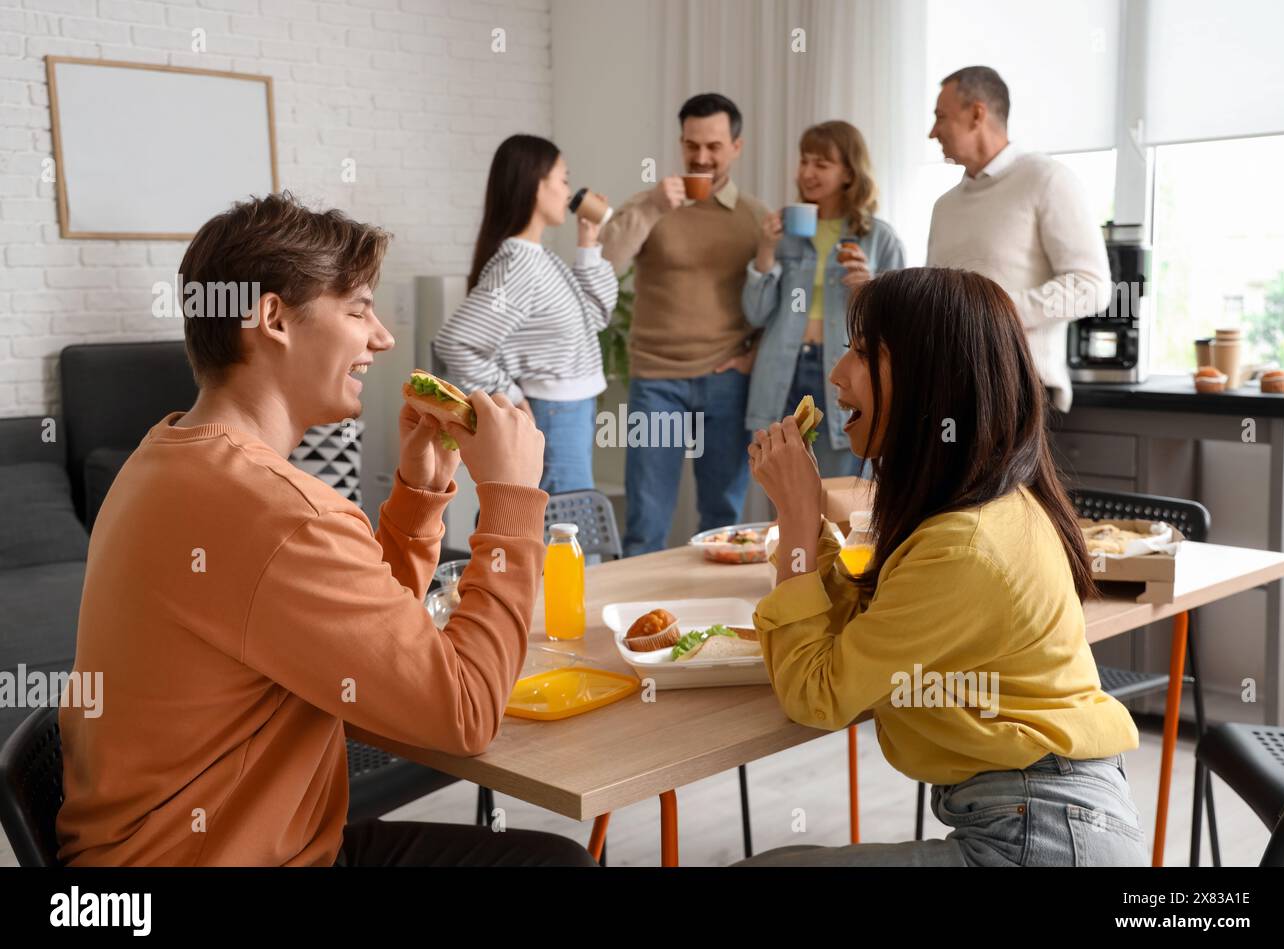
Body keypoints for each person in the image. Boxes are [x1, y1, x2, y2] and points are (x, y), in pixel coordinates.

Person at [56, 192, 594, 867]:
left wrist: (421, 495)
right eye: (358, 308)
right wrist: (513, 500)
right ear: (273, 317)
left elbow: (360, 642)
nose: (384, 336)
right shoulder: (279, 511)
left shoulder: (164, 455)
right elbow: (464, 713)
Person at [737, 267, 1143, 866]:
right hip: (1047, 817)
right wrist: (803, 522)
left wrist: (798, 517)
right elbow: (859, 627)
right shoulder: (979, 508)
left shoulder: (965, 546)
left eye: (864, 352)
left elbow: (816, 693)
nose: (837, 374)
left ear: (932, 384)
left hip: (1044, 838)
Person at [600, 92, 768, 555]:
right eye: (692, 145)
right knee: (646, 520)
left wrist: (752, 356)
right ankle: (637, 623)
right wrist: (653, 206)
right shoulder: (652, 204)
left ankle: (711, 620)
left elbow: (773, 299)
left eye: (713, 146)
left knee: (723, 521)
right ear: (681, 143)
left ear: (737, 146)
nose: (701, 157)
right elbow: (604, 262)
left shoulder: (755, 218)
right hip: (657, 381)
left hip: (726, 382)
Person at [434, 134, 619, 495]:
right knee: (563, 528)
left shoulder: (540, 259)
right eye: (563, 179)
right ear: (536, 184)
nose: (569, 192)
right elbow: (455, 342)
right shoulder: (519, 265)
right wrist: (511, 397)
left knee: (566, 524)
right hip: (551, 414)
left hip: (569, 411)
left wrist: (588, 244)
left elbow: (596, 316)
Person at [926, 65, 1110, 414]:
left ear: (977, 113)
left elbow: (1092, 287)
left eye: (940, 117)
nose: (932, 132)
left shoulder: (1047, 180)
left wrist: (992, 314)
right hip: (952, 391)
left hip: (1022, 393)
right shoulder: (944, 206)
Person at [743, 120, 905, 478]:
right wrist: (766, 250)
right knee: (781, 478)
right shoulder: (783, 233)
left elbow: (898, 326)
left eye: (821, 164)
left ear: (849, 172)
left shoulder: (879, 238)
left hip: (841, 369)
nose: (807, 172)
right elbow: (755, 314)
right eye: (804, 161)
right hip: (782, 368)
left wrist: (868, 287)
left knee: (839, 488)